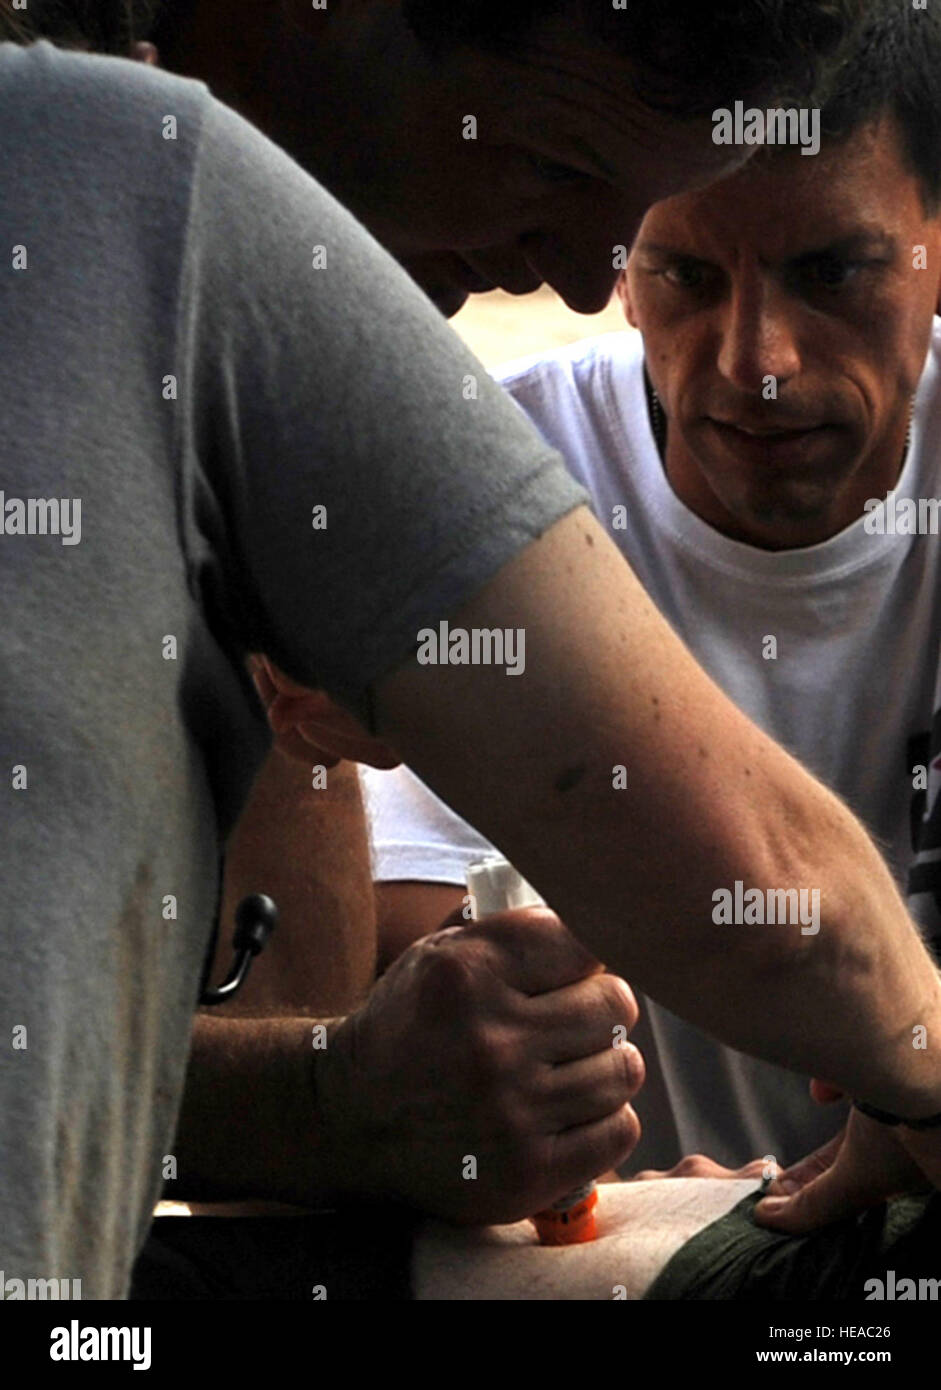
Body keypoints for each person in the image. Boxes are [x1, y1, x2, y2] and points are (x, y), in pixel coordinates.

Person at [4, 3, 941, 1304]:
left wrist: (335, 1101)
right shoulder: (141, 182)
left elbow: (169, 1083)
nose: (569, 277)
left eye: (831, 269)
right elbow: (771, 892)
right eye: (553, 168)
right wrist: (925, 1059)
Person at [361, 2, 941, 1196]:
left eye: (828, 271)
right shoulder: (477, 476)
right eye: (682, 273)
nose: (755, 363)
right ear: (618, 267)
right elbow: (413, 956)